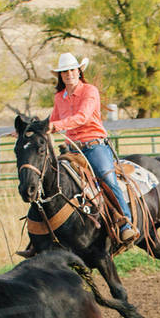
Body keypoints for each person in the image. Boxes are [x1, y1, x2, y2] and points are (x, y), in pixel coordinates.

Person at [49, 52, 140, 244]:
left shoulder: (89, 91)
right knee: (52, 181)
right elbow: (52, 120)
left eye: (72, 70)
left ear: (79, 71)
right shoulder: (59, 97)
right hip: (72, 150)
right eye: (64, 72)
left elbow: (82, 117)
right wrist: (30, 130)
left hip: (94, 145)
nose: (68, 74)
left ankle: (126, 223)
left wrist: (56, 126)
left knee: (107, 177)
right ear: (60, 75)